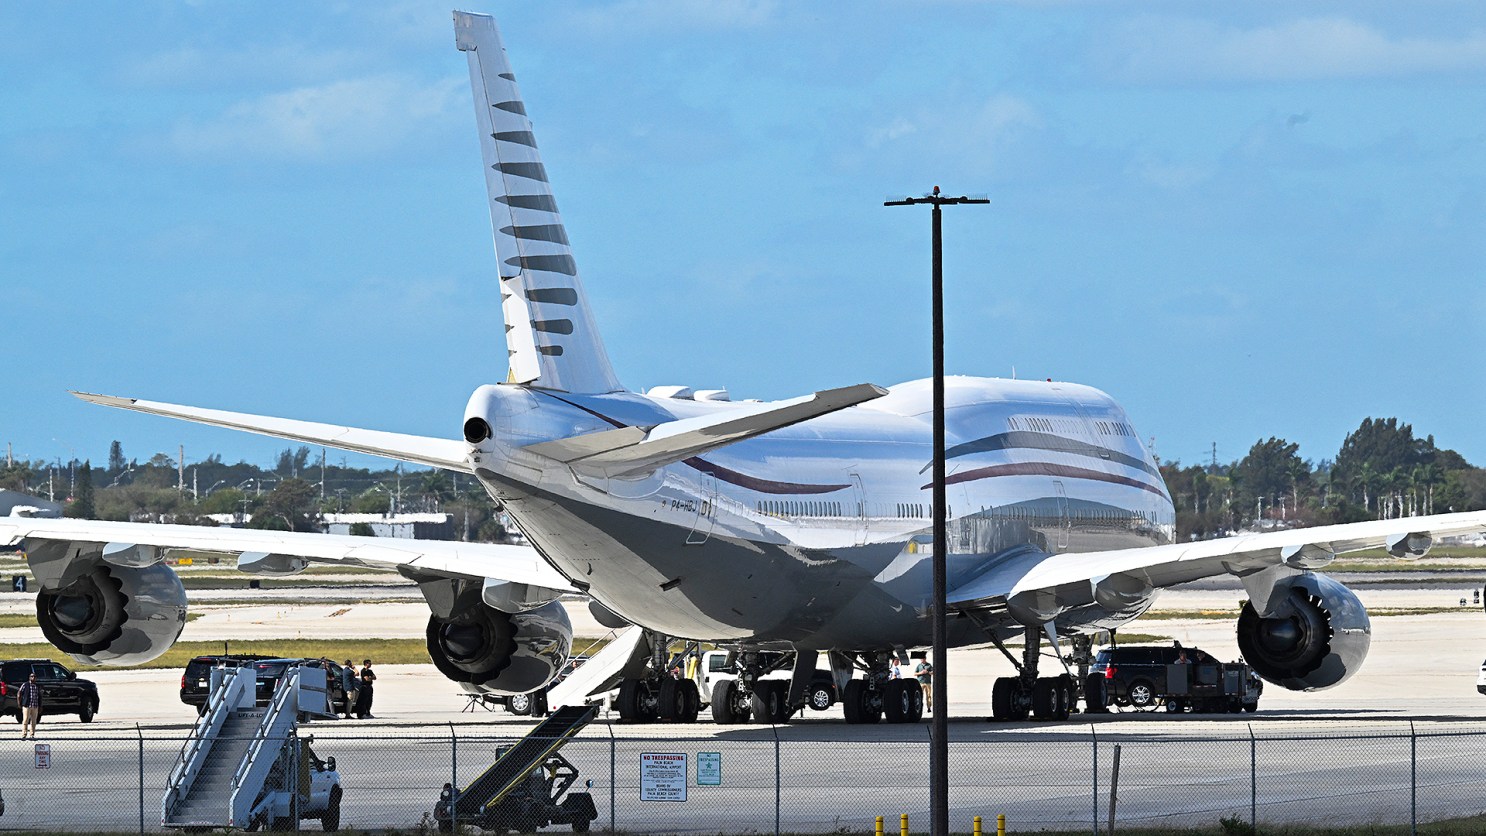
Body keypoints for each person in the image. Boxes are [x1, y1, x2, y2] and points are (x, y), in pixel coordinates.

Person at [17, 672, 41, 740]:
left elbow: (40, 696)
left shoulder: (37, 686)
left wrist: (40, 705)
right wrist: (19, 703)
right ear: (29, 677)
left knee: (34, 721)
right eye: (32, 676)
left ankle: (32, 734)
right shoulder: (25, 685)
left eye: (34, 677)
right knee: (25, 720)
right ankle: (24, 734)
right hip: (27, 705)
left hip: (35, 705)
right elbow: (19, 693)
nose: (33, 678)